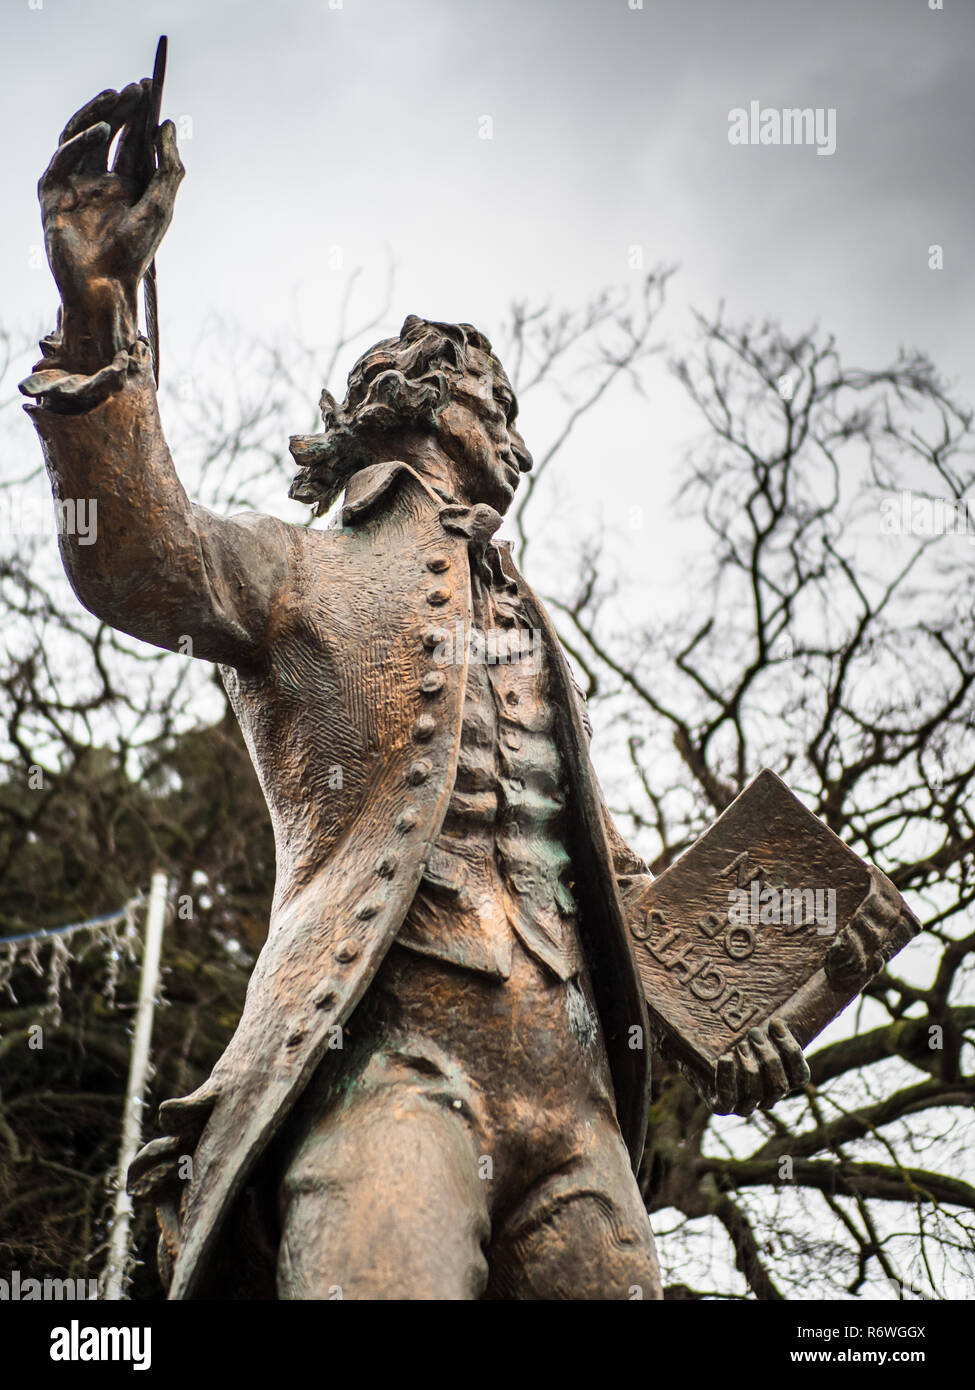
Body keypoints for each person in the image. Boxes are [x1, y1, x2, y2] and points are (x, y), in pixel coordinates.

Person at [22, 82, 809, 1300]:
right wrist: (99, 312)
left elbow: (599, 866)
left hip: (577, 1105)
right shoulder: (300, 573)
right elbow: (141, 554)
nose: (514, 435)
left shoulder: (533, 623)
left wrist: (737, 997)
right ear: (418, 395)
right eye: (492, 402)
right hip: (384, 1071)